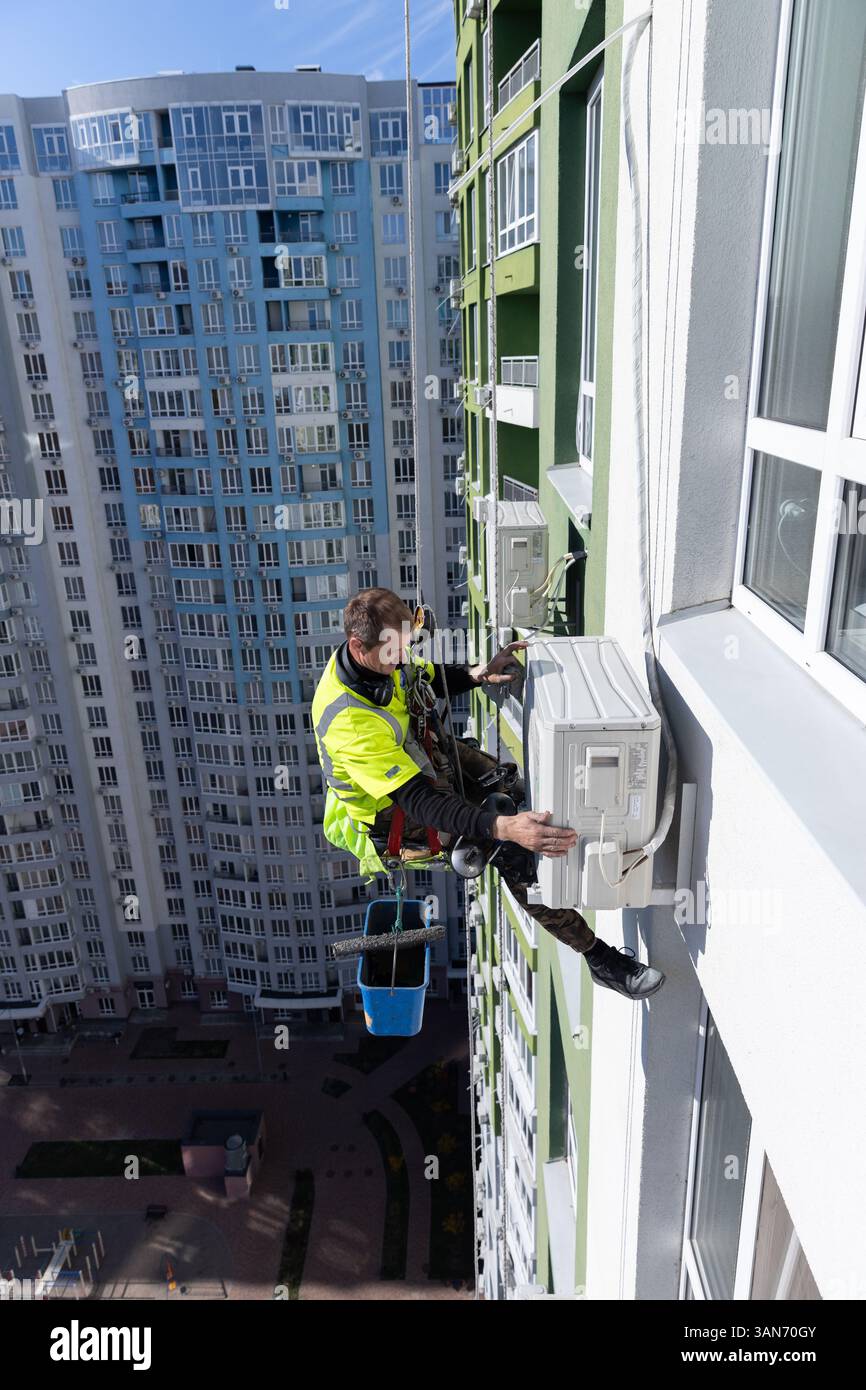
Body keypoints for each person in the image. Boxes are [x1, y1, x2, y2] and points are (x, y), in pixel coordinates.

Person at [312, 588, 664, 1001]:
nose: (400, 659)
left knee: (508, 787)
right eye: (394, 652)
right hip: (400, 815)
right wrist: (502, 827)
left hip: (421, 754)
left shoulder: (384, 652)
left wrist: (476, 673)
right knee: (510, 849)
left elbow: (422, 677)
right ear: (358, 646)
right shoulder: (349, 722)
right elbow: (420, 802)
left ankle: (600, 833)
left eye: (405, 646)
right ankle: (601, 959)